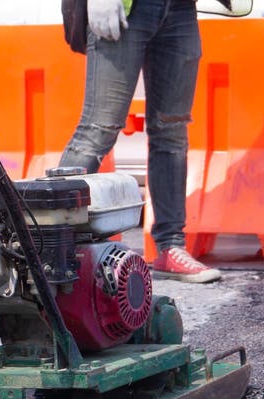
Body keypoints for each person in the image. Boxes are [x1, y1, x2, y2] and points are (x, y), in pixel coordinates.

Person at [60, 0, 221, 284]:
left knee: (171, 132)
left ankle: (170, 247)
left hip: (180, 8)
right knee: (98, 129)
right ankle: (54, 247)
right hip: (130, 6)